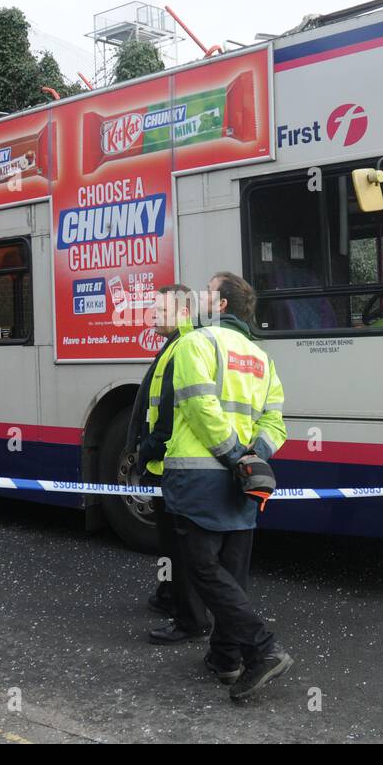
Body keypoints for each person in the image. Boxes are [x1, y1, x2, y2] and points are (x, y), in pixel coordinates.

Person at [163, 270, 291, 700]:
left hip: (200, 477)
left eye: (206, 292)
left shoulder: (195, 343)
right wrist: (253, 457)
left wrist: (235, 456)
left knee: (203, 569)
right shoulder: (260, 357)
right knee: (232, 570)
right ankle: (225, 659)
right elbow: (276, 423)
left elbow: (200, 406)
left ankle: (262, 649)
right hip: (243, 484)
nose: (197, 298)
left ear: (220, 305)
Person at [124, 284, 209, 642]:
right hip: (166, 463)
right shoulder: (175, 344)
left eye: (161, 310)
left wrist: (149, 450)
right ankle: (168, 595)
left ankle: (189, 618)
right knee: (170, 541)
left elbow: (171, 410)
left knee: (178, 543)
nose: (153, 316)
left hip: (169, 464)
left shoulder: (183, 348)